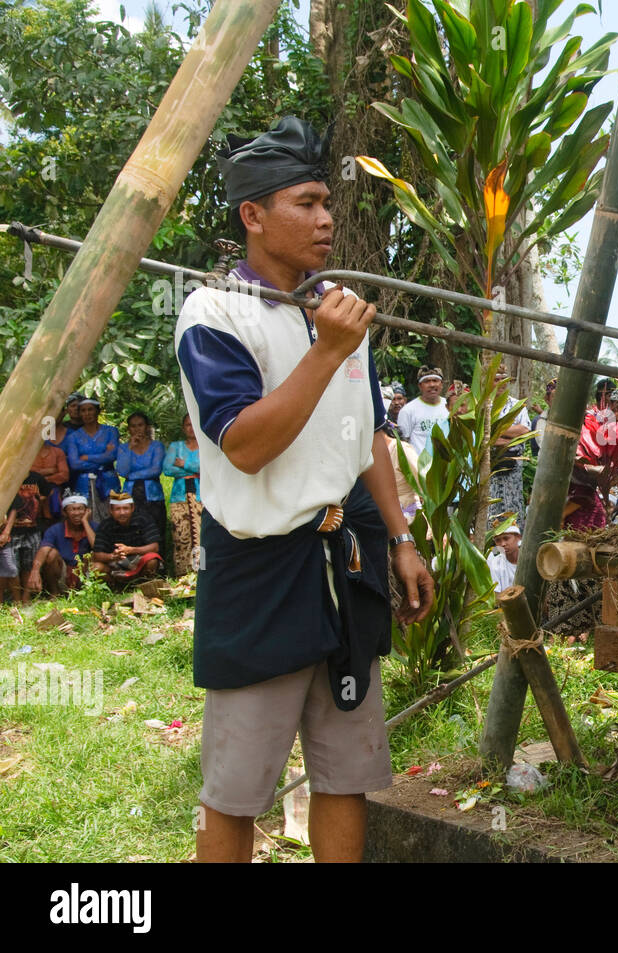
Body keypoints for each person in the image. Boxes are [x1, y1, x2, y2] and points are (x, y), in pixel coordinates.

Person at [175, 116, 432, 863]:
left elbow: (370, 436)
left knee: (344, 775)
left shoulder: (338, 308)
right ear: (253, 216)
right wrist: (327, 349)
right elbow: (246, 445)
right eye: (305, 203)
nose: (325, 219)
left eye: (326, 202)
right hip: (259, 571)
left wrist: (403, 536)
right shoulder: (213, 314)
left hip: (344, 561)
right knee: (237, 790)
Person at [489, 370, 533, 532]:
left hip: (513, 463)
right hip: (489, 465)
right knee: (491, 507)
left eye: (503, 379)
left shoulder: (516, 404)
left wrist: (496, 429)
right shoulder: (484, 405)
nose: (500, 383)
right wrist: (509, 434)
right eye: (496, 379)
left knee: (513, 505)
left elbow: (524, 430)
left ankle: (515, 548)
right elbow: (484, 438)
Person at [27, 494, 97, 595]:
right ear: (65, 512)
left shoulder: (94, 527)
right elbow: (44, 549)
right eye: (72, 509)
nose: (77, 513)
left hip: (85, 572)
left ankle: (89, 591)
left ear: (87, 511)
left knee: (94, 555)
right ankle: (55, 593)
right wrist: (35, 570)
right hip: (64, 574)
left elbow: (97, 548)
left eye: (80, 509)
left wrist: (85, 522)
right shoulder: (55, 530)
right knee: (51, 554)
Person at [91, 492, 163, 589]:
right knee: (96, 568)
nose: (122, 513)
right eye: (118, 509)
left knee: (152, 560)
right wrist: (113, 556)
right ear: (111, 511)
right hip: (115, 564)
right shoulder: (105, 525)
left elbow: (155, 547)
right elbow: (97, 555)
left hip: (138, 560)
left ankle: (144, 586)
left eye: (125, 508)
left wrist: (130, 550)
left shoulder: (143, 519)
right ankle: (114, 589)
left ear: (132, 508)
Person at [67, 397, 120, 523]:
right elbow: (74, 463)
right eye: (83, 410)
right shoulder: (73, 436)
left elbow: (112, 456)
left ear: (97, 411)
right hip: (84, 483)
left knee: (112, 517)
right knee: (87, 518)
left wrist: (87, 457)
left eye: (90, 410)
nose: (87, 414)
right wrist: (102, 457)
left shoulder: (111, 431)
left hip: (108, 480)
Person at [118, 411, 167, 545]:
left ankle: (157, 562)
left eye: (140, 425)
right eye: (133, 426)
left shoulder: (156, 446)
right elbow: (122, 471)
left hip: (153, 496)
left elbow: (156, 470)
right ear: (128, 429)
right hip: (130, 494)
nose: (137, 429)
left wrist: (132, 475)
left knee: (155, 530)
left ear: (146, 426)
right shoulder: (123, 448)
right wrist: (130, 447)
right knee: (132, 530)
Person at [163, 414, 203, 575]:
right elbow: (167, 469)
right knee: (181, 534)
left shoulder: (204, 447)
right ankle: (182, 573)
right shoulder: (176, 446)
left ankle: (202, 571)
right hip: (179, 496)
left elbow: (205, 468)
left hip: (201, 495)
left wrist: (184, 464)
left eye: (193, 424)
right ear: (183, 427)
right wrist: (194, 469)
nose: (190, 428)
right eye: (187, 425)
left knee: (202, 535)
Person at [395, 366, 450, 455]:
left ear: (441, 384)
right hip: (420, 466)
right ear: (420, 386)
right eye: (427, 381)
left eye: (435, 381)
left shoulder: (449, 407)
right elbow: (403, 443)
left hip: (447, 466)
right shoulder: (408, 410)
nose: (432, 385)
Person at [28, 438, 69, 524]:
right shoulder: (27, 454)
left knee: (54, 502)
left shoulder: (57, 452)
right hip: (31, 490)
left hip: (52, 489)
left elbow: (64, 475)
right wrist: (50, 471)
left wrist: (42, 478)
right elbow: (26, 473)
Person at [487, 524, 521, 592]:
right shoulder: (494, 560)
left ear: (518, 537)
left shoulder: (531, 554)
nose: (503, 544)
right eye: (498, 540)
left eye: (506, 538)